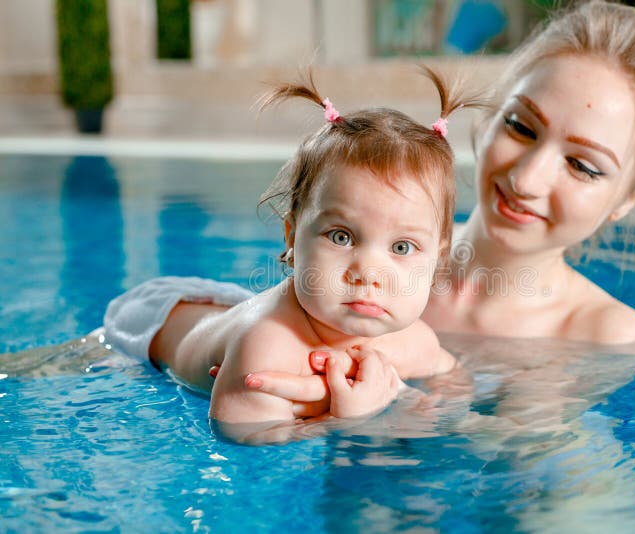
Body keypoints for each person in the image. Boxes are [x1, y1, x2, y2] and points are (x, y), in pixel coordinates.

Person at [104, 0, 635, 420]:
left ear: (628, 198)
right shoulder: (356, 266)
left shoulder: (604, 337)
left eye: (584, 165)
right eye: (520, 125)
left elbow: (513, 464)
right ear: (488, 117)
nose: (527, 176)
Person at [103, 67, 483, 440]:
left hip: (224, 309)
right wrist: (350, 420)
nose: (368, 273)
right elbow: (240, 436)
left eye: (402, 247)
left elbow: (451, 379)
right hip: (151, 327)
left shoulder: (415, 340)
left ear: (438, 262)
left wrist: (435, 407)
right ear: (292, 237)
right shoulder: (267, 348)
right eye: (341, 236)